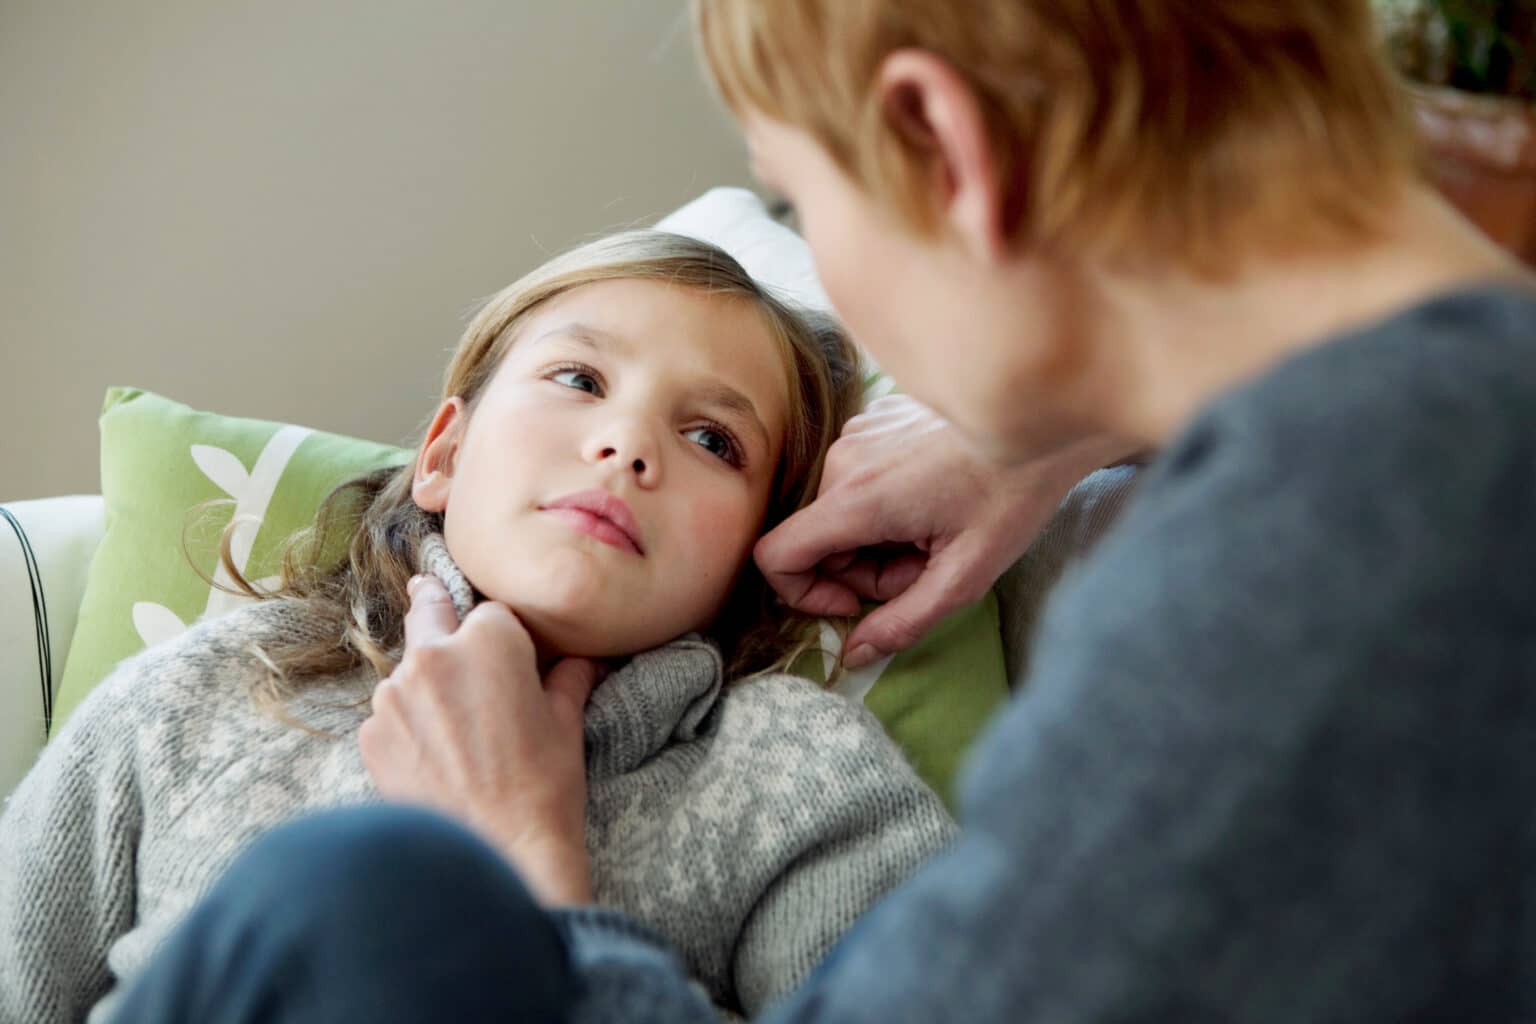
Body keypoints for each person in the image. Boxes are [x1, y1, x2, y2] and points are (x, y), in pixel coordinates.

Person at [44, 0, 1536, 1020]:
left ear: (942, 145)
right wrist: (1057, 416)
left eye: (802, 205)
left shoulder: (1313, 581)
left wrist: (520, 882)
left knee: (370, 891)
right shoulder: (1430, 460)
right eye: (577, 381)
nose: (625, 449)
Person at [0, 230, 958, 1023]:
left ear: (754, 550)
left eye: (714, 440)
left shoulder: (795, 776)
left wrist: (532, 861)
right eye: (580, 379)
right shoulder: (202, 694)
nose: (626, 445)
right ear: (445, 456)